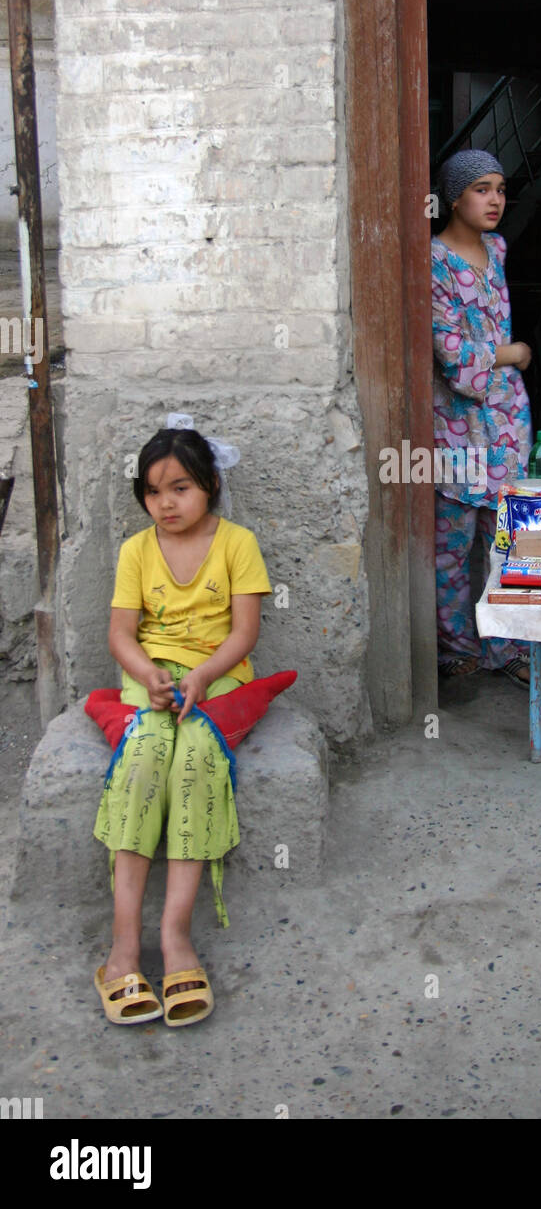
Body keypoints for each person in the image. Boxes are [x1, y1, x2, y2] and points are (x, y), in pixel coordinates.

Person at [93, 426, 272, 1026]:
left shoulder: (238, 544)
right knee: (144, 756)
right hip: (150, 678)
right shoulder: (135, 552)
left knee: (194, 758)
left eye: (180, 488)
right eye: (152, 492)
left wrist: (200, 677)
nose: (165, 503)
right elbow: (121, 634)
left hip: (218, 676)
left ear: (211, 485)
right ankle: (121, 949)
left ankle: (175, 940)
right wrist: (148, 675)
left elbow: (244, 633)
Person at [432, 149, 533, 686]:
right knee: (450, 548)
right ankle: (458, 647)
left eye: (499, 188)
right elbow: (451, 354)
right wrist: (510, 354)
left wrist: (494, 359)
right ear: (454, 197)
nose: (495, 199)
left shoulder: (496, 250)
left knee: (510, 539)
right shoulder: (433, 262)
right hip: (456, 427)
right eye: (481, 189)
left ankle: (508, 644)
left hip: (507, 421)